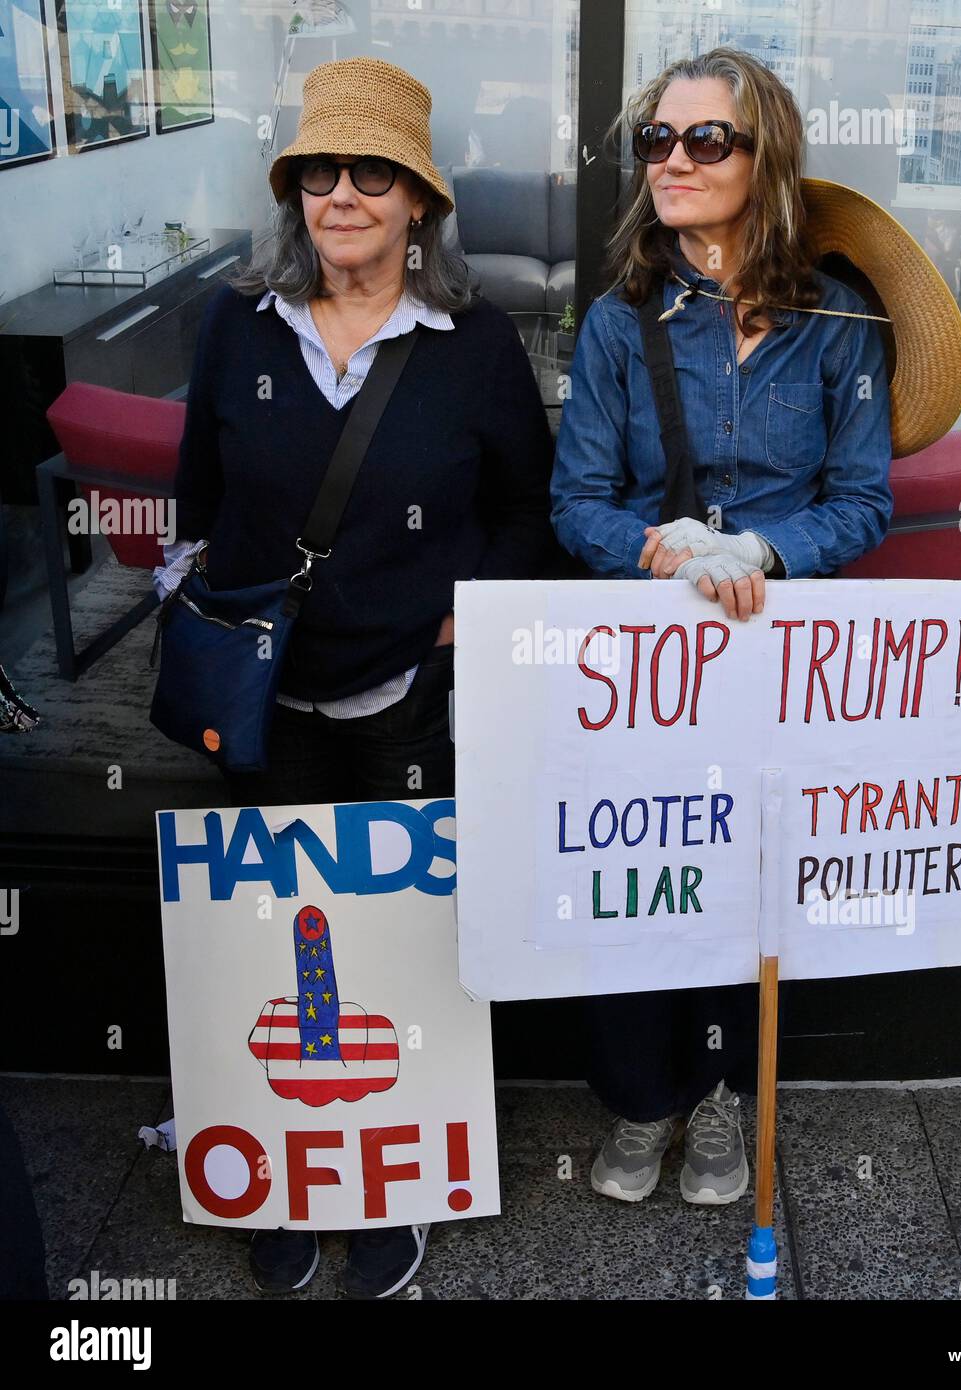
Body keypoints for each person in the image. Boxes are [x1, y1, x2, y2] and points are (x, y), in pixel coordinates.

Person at [155, 56, 554, 1296]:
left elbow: (526, 513)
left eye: (369, 174)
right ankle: (281, 1165)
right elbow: (199, 499)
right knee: (266, 936)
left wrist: (447, 622)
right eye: (319, 172)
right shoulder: (235, 322)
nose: (341, 194)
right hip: (263, 701)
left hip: (402, 700)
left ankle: (386, 1182)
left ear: (416, 202)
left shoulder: (474, 342)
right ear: (296, 195)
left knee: (396, 948)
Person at [550, 48, 892, 1206]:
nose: (673, 160)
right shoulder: (618, 323)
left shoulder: (840, 320)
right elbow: (575, 501)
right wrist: (664, 553)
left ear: (766, 157)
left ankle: (722, 1105)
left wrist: (767, 549)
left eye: (706, 139)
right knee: (641, 875)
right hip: (651, 664)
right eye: (657, 139)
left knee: (751, 894)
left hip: (781, 670)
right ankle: (639, 1104)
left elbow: (863, 499)